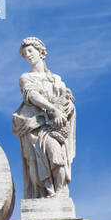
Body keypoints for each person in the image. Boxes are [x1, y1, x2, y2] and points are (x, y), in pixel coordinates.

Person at [11, 36, 76, 198]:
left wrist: (66, 107)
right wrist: (52, 109)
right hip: (34, 125)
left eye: (31, 51)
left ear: (41, 52)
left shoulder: (56, 79)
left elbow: (66, 99)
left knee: (56, 156)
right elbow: (31, 95)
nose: (28, 55)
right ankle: (44, 193)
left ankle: (60, 192)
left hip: (53, 126)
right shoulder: (26, 77)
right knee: (35, 161)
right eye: (25, 54)